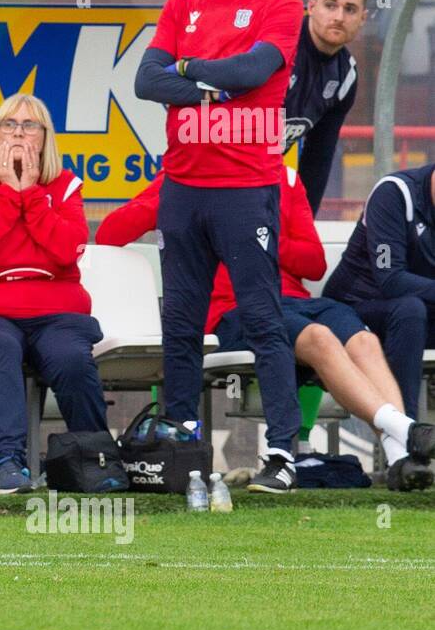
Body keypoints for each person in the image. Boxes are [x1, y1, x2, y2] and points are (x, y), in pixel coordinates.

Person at [100, 168, 435, 492]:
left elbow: (314, 263)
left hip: (298, 301)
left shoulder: (284, 177)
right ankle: (406, 430)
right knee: (320, 338)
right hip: (236, 309)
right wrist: (183, 200)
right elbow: (109, 233)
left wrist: (257, 238)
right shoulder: (184, 177)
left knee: (364, 341)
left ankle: (400, 457)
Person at [133, 0, 307, 494]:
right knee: (180, 320)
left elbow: (256, 69)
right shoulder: (182, 3)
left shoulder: (281, 5)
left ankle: (283, 454)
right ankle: (181, 439)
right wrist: (210, 79)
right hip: (182, 187)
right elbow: (145, 80)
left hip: (245, 188)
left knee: (263, 317)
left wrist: (189, 73)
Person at [0, 94, 108, 493]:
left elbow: (67, 249)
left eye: (30, 125)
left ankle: (95, 459)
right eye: (8, 124)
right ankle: (5, 463)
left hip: (54, 312)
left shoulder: (65, 187)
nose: (18, 132)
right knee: (1, 342)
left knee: (69, 355)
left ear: (46, 137)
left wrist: (31, 195)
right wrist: (15, 196)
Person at [325, 163, 435, 432]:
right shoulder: (394, 193)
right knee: (410, 310)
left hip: (418, 314)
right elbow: (391, 279)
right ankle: (405, 440)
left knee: (413, 311)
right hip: (354, 312)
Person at [284, 0, 368, 215]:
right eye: (330, 5)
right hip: (212, 167)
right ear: (311, 7)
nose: (339, 17)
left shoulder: (346, 76)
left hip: (255, 179)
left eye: (350, 9)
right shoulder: (279, 45)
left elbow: (318, 158)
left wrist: (303, 222)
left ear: (362, 19)